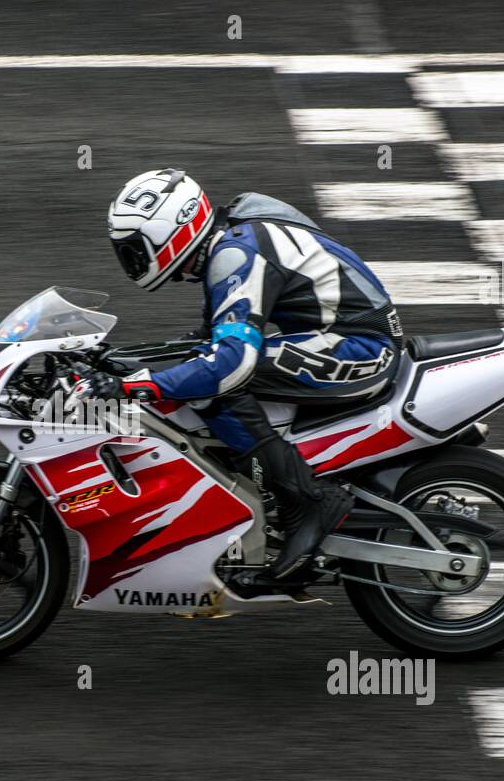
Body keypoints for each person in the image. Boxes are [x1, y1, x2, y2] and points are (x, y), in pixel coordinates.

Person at [84, 168, 405, 580]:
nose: (130, 259)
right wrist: (121, 361)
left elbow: (229, 364)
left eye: (134, 248)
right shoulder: (230, 240)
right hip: (345, 339)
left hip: (363, 348)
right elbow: (206, 339)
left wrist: (134, 386)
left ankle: (308, 502)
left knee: (219, 384)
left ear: (170, 231)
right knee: (205, 371)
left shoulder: (236, 251)